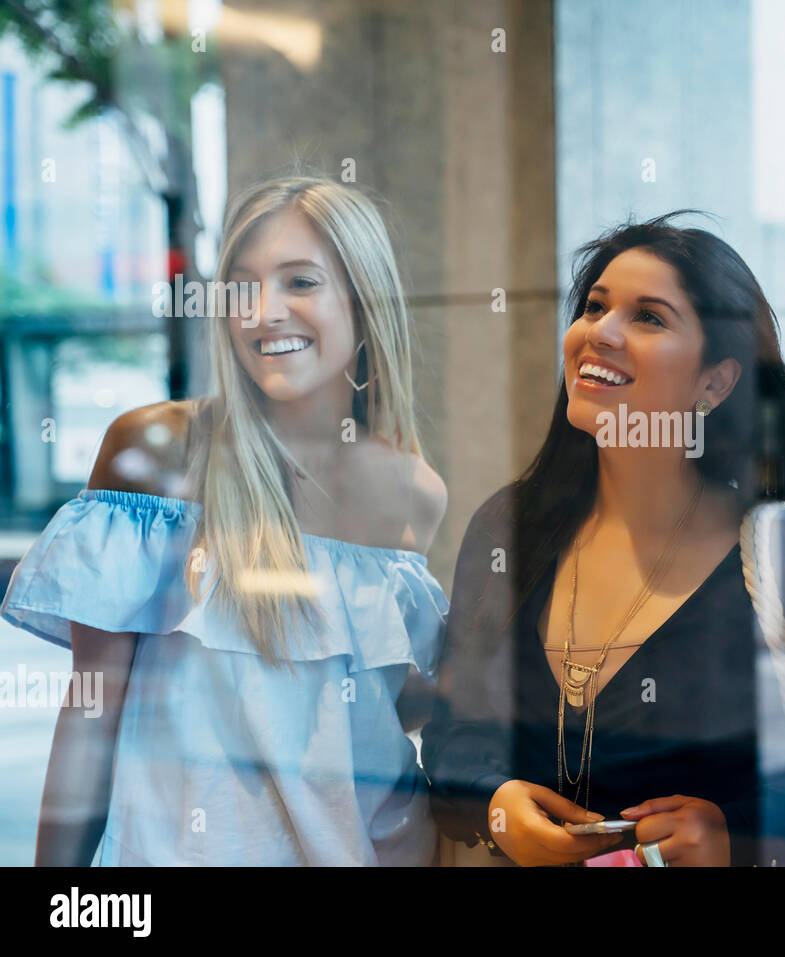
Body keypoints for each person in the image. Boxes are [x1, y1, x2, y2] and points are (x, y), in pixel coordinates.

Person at [421, 214, 785, 866]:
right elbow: (455, 726)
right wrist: (496, 799)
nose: (598, 332)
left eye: (648, 317)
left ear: (716, 381)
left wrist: (735, 833)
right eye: (595, 306)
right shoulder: (509, 528)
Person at [1, 176, 449, 865]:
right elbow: (91, 711)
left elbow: (374, 706)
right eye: (242, 287)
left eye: (300, 281)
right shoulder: (153, 452)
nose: (265, 312)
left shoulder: (416, 492)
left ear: (364, 303)